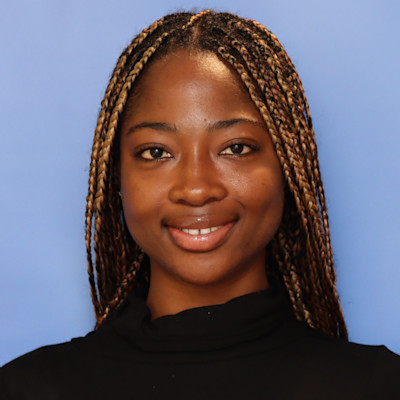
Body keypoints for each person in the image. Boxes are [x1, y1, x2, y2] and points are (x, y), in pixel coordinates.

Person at [1, 9, 399, 399]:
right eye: (156, 152)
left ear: (288, 168)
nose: (196, 189)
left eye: (236, 148)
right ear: (117, 178)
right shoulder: (26, 389)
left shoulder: (376, 386)